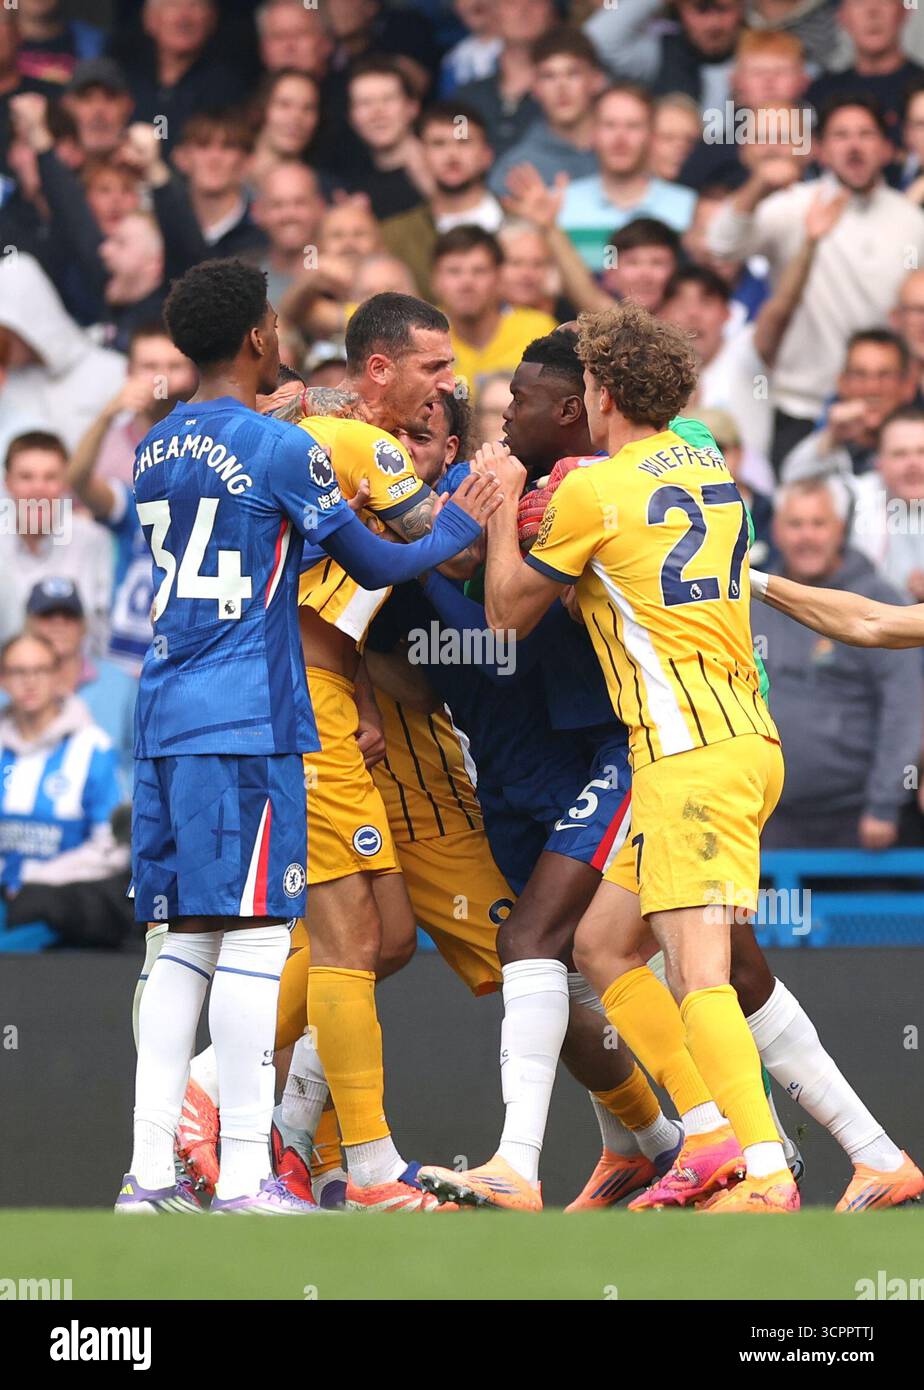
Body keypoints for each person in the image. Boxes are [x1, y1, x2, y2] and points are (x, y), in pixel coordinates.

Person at [119, 258, 499, 1214]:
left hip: (161, 706)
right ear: (258, 338)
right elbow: (385, 555)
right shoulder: (286, 452)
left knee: (183, 946)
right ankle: (251, 1175)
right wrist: (463, 510)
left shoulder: (155, 448)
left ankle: (148, 1175)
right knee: (255, 944)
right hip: (248, 711)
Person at [427, 303, 799, 1213]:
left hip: (681, 750)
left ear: (596, 394)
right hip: (742, 734)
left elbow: (508, 613)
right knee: (602, 944)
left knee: (702, 972)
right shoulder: (711, 464)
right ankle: (717, 1142)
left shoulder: (595, 492)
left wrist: (508, 508)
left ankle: (767, 1171)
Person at [707, 94, 924, 465]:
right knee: (801, 515)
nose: (854, 146)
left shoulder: (912, 221)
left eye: (866, 135)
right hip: (800, 405)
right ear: (820, 150)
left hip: (888, 408)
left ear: (887, 149)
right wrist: (759, 185)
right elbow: (722, 245)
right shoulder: (793, 206)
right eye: (841, 135)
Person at [753, 476, 923, 851]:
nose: (806, 536)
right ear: (777, 531)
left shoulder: (881, 599)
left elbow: (904, 709)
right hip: (769, 815)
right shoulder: (751, 601)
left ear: (840, 530)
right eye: (795, 524)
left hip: (857, 819)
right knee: (774, 911)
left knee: (864, 910)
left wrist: (884, 803)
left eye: (818, 523)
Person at [0, 631, 129, 950]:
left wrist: (39, 880)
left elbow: (111, 847)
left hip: (61, 907)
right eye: (18, 671)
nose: (29, 682)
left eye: (40, 670)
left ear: (59, 676)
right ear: (3, 679)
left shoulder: (93, 748)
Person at [557, 84, 697, 271]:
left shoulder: (688, 208)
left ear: (652, 135)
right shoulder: (559, 205)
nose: (620, 138)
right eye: (610, 125)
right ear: (592, 132)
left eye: (633, 126)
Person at [0, 432, 113, 654]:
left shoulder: (94, 541)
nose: (38, 488)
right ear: (7, 483)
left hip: (79, 679)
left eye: (50, 477)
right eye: (26, 477)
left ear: (66, 483)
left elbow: (103, 635)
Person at [24, 579, 136, 797]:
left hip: (106, 812)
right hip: (30, 815)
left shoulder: (121, 684)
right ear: (29, 624)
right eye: (47, 616)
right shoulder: (10, 686)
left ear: (83, 626)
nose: (59, 625)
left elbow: (141, 757)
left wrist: (119, 800)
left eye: (69, 616)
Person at [380, 101, 502, 301]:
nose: (452, 154)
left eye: (464, 142)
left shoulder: (523, 225)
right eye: (438, 143)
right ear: (421, 155)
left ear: (486, 156)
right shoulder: (394, 235)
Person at [430, 226, 556, 398]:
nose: (467, 283)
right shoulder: (421, 337)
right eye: (454, 271)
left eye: (479, 271)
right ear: (435, 280)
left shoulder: (539, 331)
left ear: (498, 278)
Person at [781, 330, 917, 481]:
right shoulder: (828, 447)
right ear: (841, 383)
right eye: (860, 374)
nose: (872, 388)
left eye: (885, 375)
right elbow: (792, 484)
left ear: (908, 386)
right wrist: (831, 438)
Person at [487, 27, 604, 200]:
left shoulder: (632, 150)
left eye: (573, 73)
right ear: (534, 88)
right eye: (548, 76)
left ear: (597, 80)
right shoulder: (515, 171)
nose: (561, 87)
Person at [586, 0, 745, 109]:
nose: (713, 24)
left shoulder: (757, 53)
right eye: (700, 9)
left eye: (723, 9)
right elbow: (596, 39)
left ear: (741, 9)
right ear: (680, 10)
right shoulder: (661, 53)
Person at [808, 0, 924, 145]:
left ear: (904, 12)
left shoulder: (921, 88)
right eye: (859, 3)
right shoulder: (818, 93)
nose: (872, 12)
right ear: (842, 16)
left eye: (884, 2)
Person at [454, 0, 552, 156]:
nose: (523, 9)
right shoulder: (466, 99)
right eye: (511, 3)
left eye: (535, 2)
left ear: (550, 11)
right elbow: (455, 155)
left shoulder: (570, 93)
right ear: (493, 14)